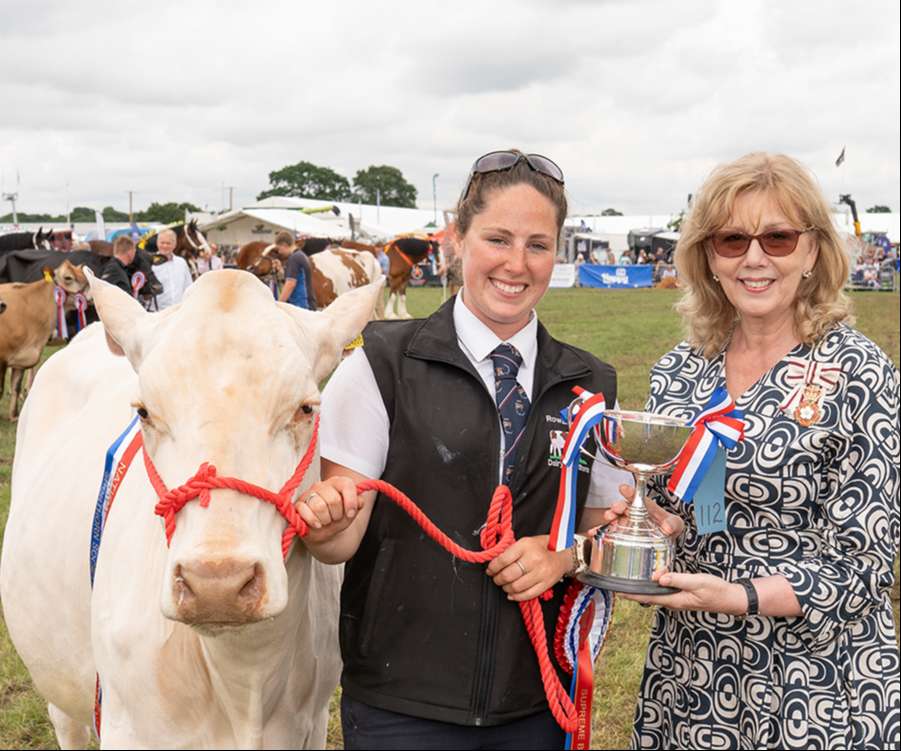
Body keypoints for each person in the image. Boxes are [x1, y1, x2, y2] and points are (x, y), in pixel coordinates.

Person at [295, 149, 638, 749]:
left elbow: (602, 535)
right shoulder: (379, 365)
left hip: (534, 703)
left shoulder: (590, 384)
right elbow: (339, 543)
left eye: (538, 244)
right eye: (497, 239)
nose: (516, 263)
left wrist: (562, 558)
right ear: (457, 239)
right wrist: (326, 521)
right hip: (403, 707)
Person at [619, 152, 899, 749]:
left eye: (777, 237)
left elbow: (865, 568)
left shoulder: (858, 372)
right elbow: (677, 507)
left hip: (814, 680)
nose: (753, 257)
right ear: (707, 257)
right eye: (731, 238)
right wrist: (651, 532)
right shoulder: (679, 373)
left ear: (812, 252)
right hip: (693, 671)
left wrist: (742, 596)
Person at [273, 231, 317, 310]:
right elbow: (298, 278)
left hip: (300, 306)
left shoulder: (294, 258)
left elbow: (290, 284)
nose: (279, 252)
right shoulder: (301, 255)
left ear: (284, 245)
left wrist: (278, 306)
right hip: (309, 303)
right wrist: (281, 270)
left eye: (279, 248)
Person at [152, 229, 193, 310]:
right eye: (162, 243)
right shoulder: (150, 263)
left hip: (178, 312)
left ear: (175, 244)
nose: (165, 246)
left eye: (168, 243)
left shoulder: (181, 263)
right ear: (157, 243)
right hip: (157, 313)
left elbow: (188, 286)